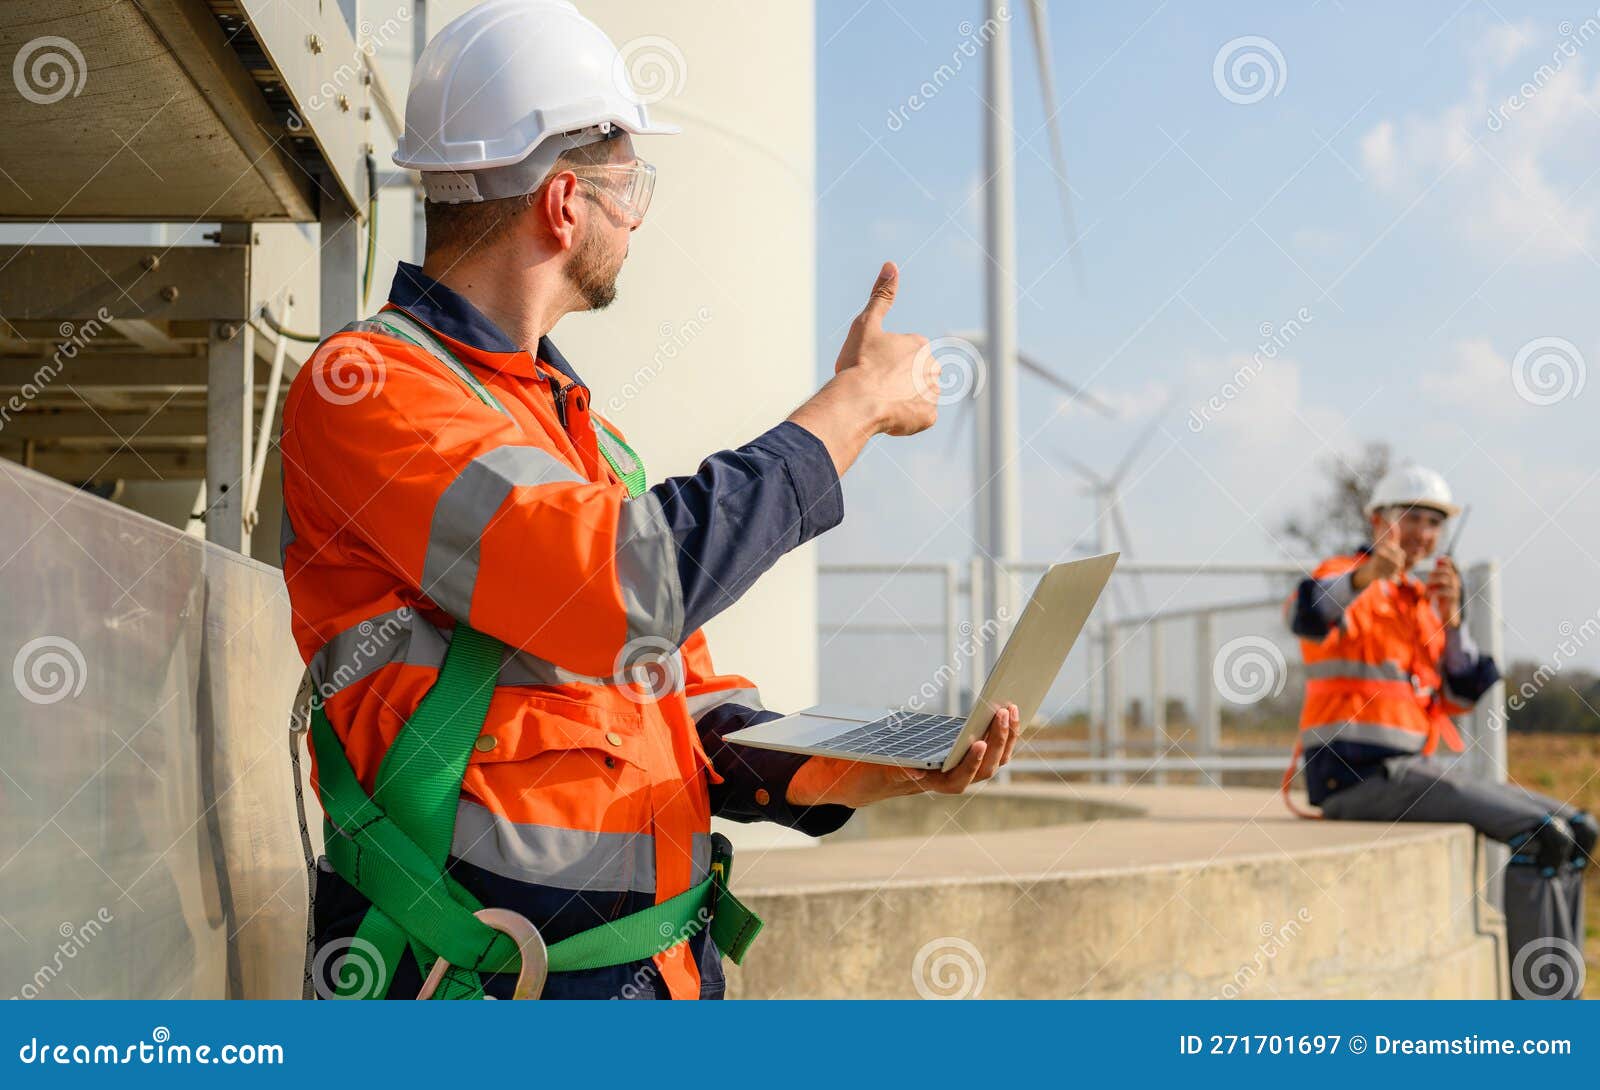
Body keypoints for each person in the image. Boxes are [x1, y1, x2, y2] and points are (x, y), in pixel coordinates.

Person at [279, 0, 1019, 1000]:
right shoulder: (369, 387)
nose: (638, 217)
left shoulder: (592, 445)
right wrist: (845, 416)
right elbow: (615, 583)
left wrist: (851, 767)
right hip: (472, 986)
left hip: (661, 979)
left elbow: (689, 708)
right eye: (631, 185)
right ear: (562, 201)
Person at [1284, 463, 1594, 998]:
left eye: (1432, 522)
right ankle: (1538, 1022)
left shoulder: (1420, 602)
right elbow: (1307, 614)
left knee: (1577, 831)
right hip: (1352, 777)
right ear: (1375, 518)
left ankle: (1563, 1005)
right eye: (1407, 517)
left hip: (1413, 772)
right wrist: (1364, 577)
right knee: (1538, 834)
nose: (1419, 532)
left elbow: (1461, 692)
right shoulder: (1348, 576)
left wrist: (1452, 622)